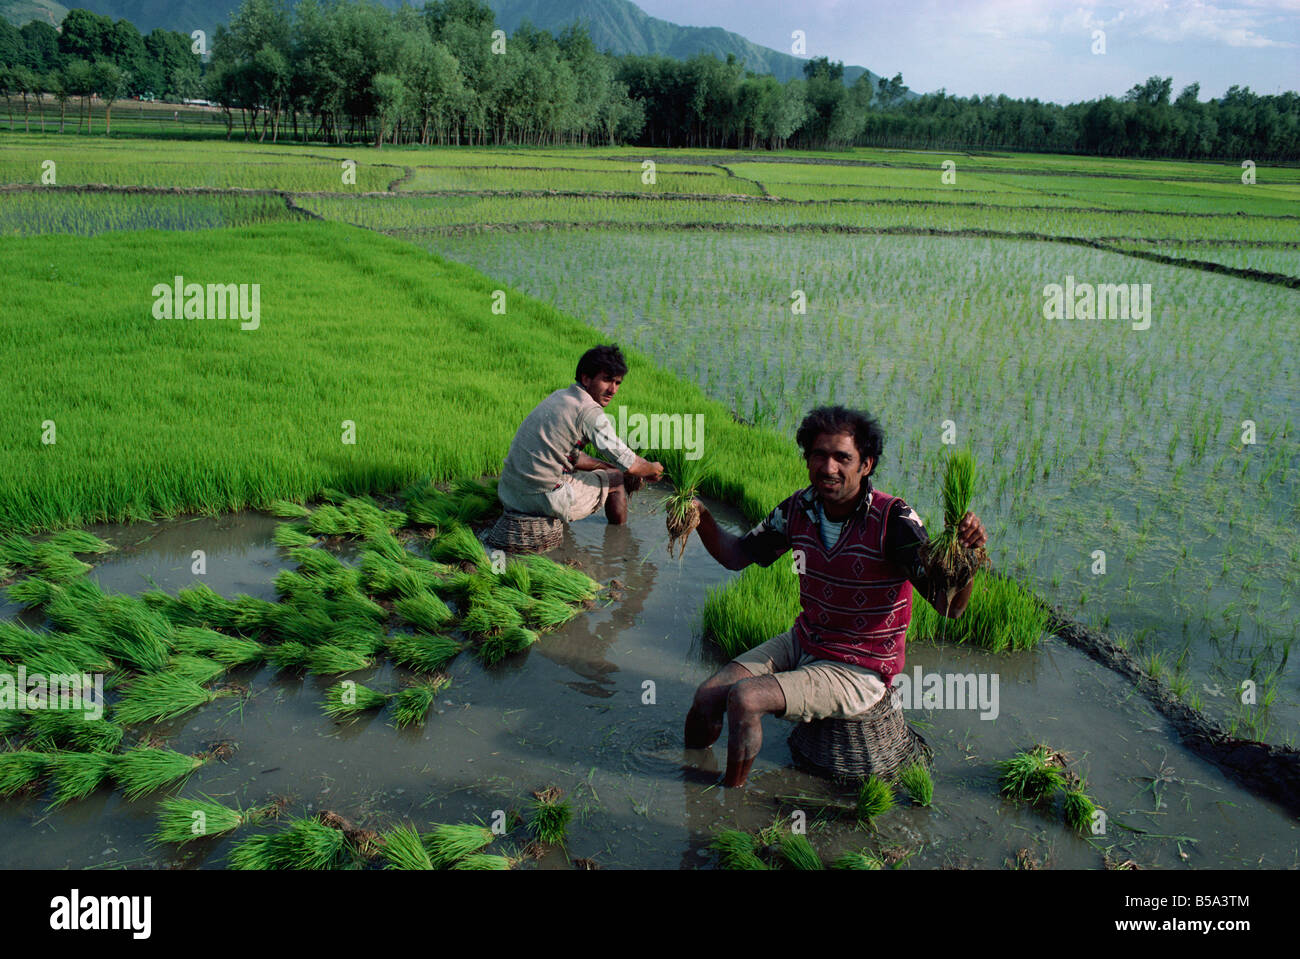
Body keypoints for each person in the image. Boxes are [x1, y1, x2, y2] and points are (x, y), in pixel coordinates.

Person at [683, 405, 988, 787]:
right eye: (818, 455)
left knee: (745, 700)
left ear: (866, 464)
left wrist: (967, 559)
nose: (828, 468)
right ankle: (686, 779)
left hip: (861, 666)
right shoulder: (799, 508)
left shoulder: (894, 520)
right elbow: (736, 555)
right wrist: (701, 518)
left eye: (842, 457)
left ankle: (729, 801)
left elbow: (949, 608)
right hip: (806, 639)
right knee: (707, 696)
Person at [498, 345, 664, 525]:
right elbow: (630, 464)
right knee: (615, 480)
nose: (613, 390)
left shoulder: (561, 396)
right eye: (607, 380)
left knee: (606, 471)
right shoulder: (588, 411)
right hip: (538, 499)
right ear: (586, 378)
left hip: (509, 492)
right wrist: (653, 468)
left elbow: (570, 457)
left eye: (617, 383)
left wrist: (606, 466)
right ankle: (619, 541)